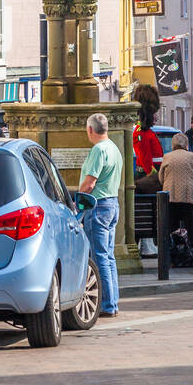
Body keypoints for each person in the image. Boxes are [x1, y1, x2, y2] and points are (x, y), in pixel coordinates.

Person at [79, 113, 122, 317]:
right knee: (108, 257)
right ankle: (112, 301)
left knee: (99, 257)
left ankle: (106, 304)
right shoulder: (114, 147)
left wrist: (77, 202)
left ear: (90, 130)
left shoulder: (98, 150)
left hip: (97, 205)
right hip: (112, 203)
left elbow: (90, 183)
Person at [158, 133, 193, 250]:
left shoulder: (167, 156)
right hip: (188, 198)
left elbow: (161, 178)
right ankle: (192, 253)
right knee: (190, 227)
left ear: (173, 144)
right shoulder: (192, 156)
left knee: (173, 227)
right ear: (186, 144)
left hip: (171, 198)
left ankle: (174, 256)